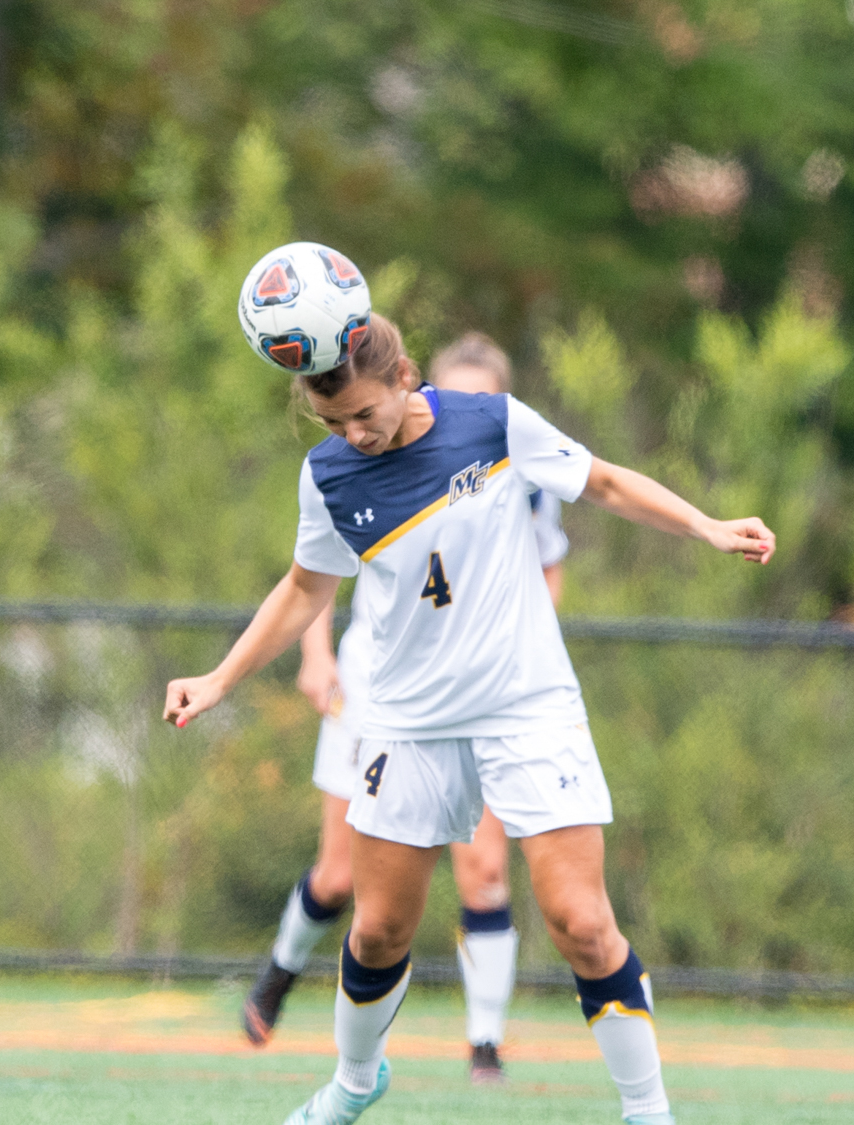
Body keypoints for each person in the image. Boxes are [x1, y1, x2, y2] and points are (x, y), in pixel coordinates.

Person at [165, 312, 773, 1125]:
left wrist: (704, 523)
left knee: (583, 923)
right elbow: (306, 588)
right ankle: (353, 1082)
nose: (355, 433)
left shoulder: (490, 423)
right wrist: (219, 677)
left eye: (366, 414)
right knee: (378, 928)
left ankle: (648, 1111)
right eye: (334, 422)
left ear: (406, 379)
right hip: (407, 721)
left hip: (527, 708)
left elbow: (604, 481)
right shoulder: (330, 475)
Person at [245, 332, 560, 1085]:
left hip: (477, 690)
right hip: (380, 690)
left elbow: (546, 569)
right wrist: (317, 658)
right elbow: (312, 577)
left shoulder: (514, 460)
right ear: (417, 384)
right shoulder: (356, 459)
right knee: (340, 877)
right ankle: (281, 969)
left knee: (484, 870)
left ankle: (485, 1044)